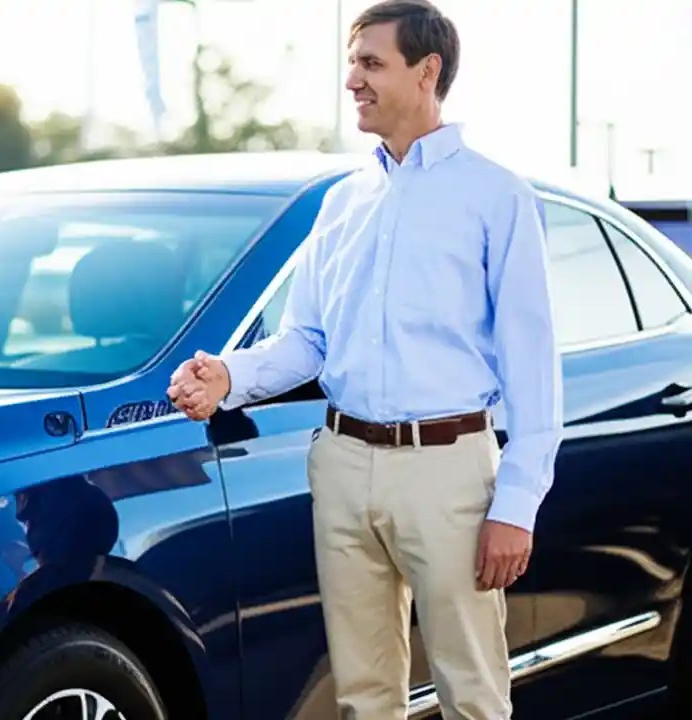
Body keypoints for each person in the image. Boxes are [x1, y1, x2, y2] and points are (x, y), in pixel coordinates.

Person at [167, 1, 563, 718]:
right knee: (361, 696)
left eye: (371, 64)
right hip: (344, 466)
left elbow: (534, 367)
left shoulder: (496, 196)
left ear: (427, 71)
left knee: (472, 692)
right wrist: (231, 378)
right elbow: (309, 340)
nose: (353, 80)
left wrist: (518, 506)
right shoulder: (343, 202)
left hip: (449, 474)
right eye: (352, 64)